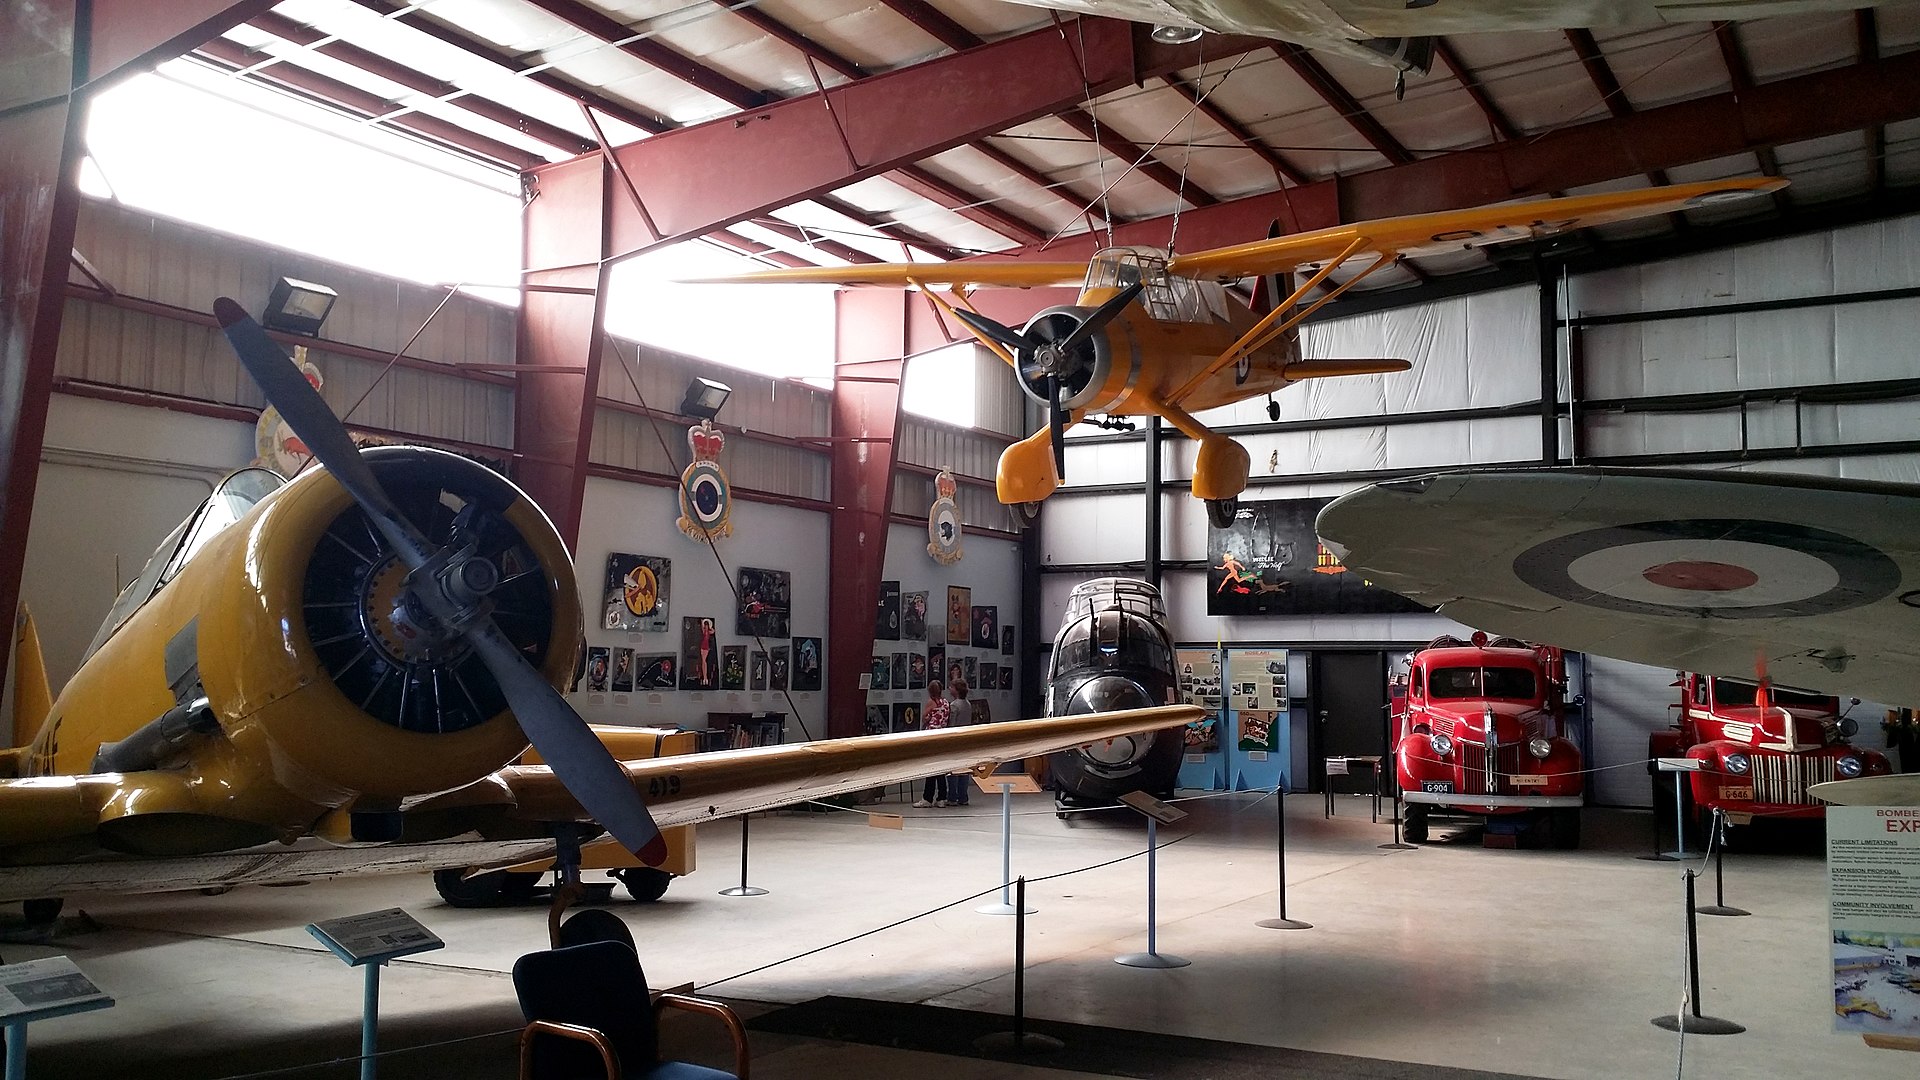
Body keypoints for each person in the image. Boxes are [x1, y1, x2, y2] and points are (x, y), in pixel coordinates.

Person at [914, 679, 951, 807]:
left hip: (931, 737)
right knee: (940, 768)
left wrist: (927, 719)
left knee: (930, 768)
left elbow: (924, 718)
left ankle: (927, 798)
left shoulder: (932, 702)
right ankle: (942, 797)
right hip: (942, 736)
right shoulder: (946, 702)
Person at [946, 679, 972, 806]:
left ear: (956, 690)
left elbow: (952, 724)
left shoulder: (954, 705)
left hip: (955, 741)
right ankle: (963, 796)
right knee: (964, 770)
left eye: (951, 687)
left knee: (953, 771)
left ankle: (952, 797)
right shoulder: (968, 704)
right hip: (966, 740)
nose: (949, 689)